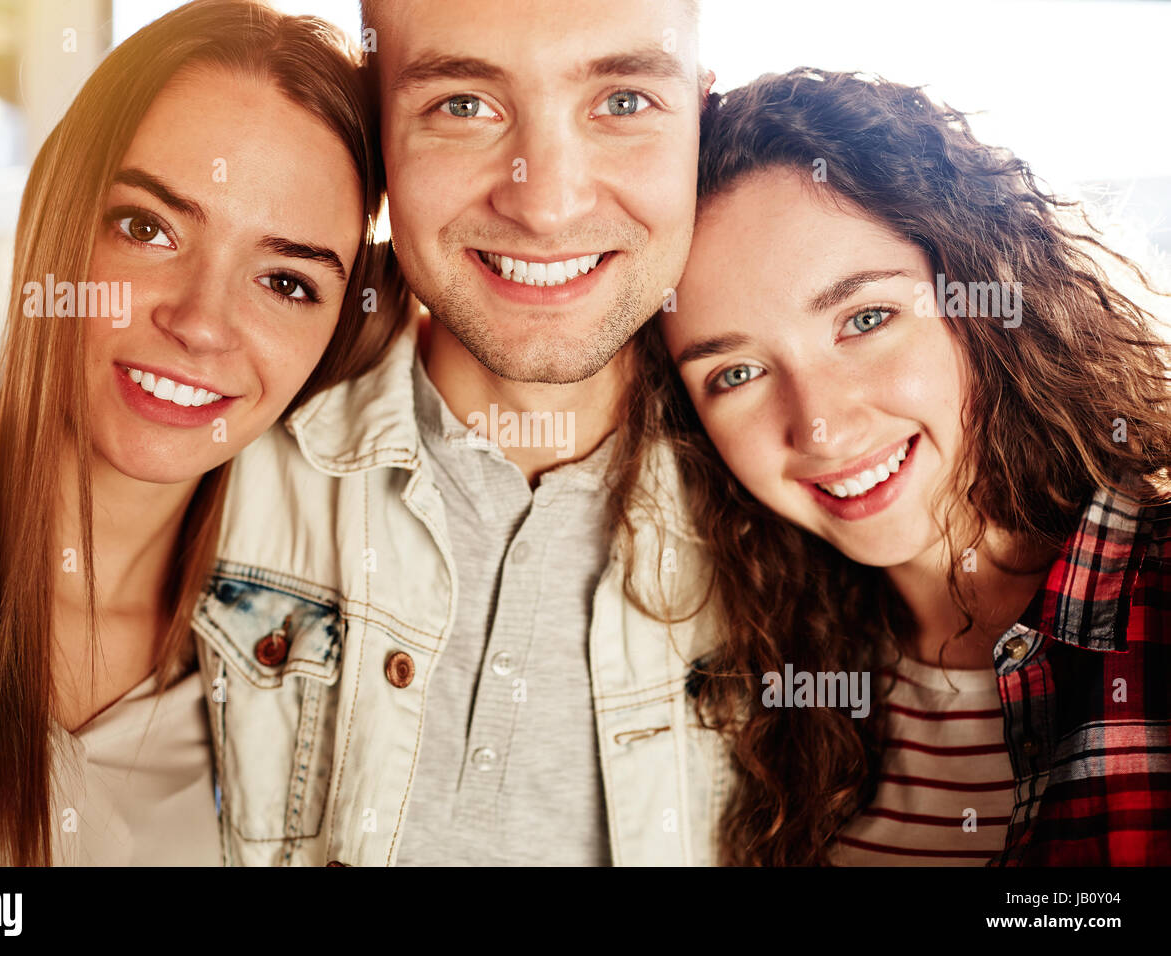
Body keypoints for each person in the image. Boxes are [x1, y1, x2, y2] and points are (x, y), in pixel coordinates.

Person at [194, 0, 729, 865]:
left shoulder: (803, 501)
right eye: (463, 105)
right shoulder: (214, 455)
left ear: (701, 117)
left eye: (623, 101)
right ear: (378, 136)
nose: (547, 205)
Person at [0, 0, 404, 865]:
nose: (201, 323)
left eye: (286, 282)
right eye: (148, 228)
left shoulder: (305, 668)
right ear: (58, 218)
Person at [642, 67, 1171, 865]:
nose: (817, 425)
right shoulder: (769, 679)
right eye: (736, 373)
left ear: (981, 292)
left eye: (866, 318)